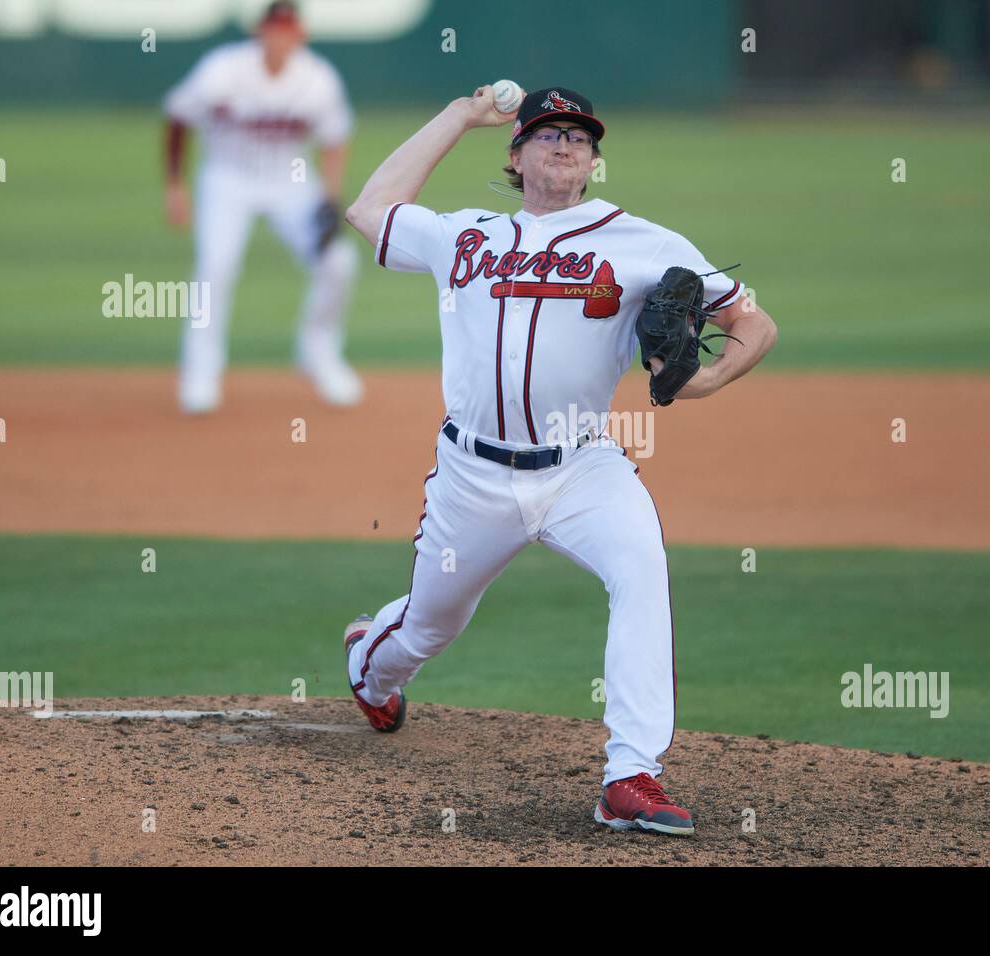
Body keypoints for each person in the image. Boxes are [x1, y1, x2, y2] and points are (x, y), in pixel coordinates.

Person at [340, 85, 778, 836]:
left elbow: (752, 320)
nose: (566, 144)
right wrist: (457, 116)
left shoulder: (644, 244)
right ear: (517, 156)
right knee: (426, 629)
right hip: (472, 478)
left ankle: (631, 776)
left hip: (583, 468)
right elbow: (369, 210)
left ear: (594, 160)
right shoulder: (464, 236)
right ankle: (369, 668)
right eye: (548, 133)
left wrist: (703, 380)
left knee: (641, 570)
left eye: (580, 136)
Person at [163, 0, 361, 414]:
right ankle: (201, 372)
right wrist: (176, 184)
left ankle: (319, 353)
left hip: (290, 181)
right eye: (274, 29)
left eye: (288, 31)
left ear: (300, 35)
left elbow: (335, 138)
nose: (280, 38)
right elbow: (179, 114)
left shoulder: (318, 78)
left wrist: (329, 198)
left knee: (339, 261)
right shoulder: (223, 69)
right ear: (261, 31)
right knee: (215, 267)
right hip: (226, 178)